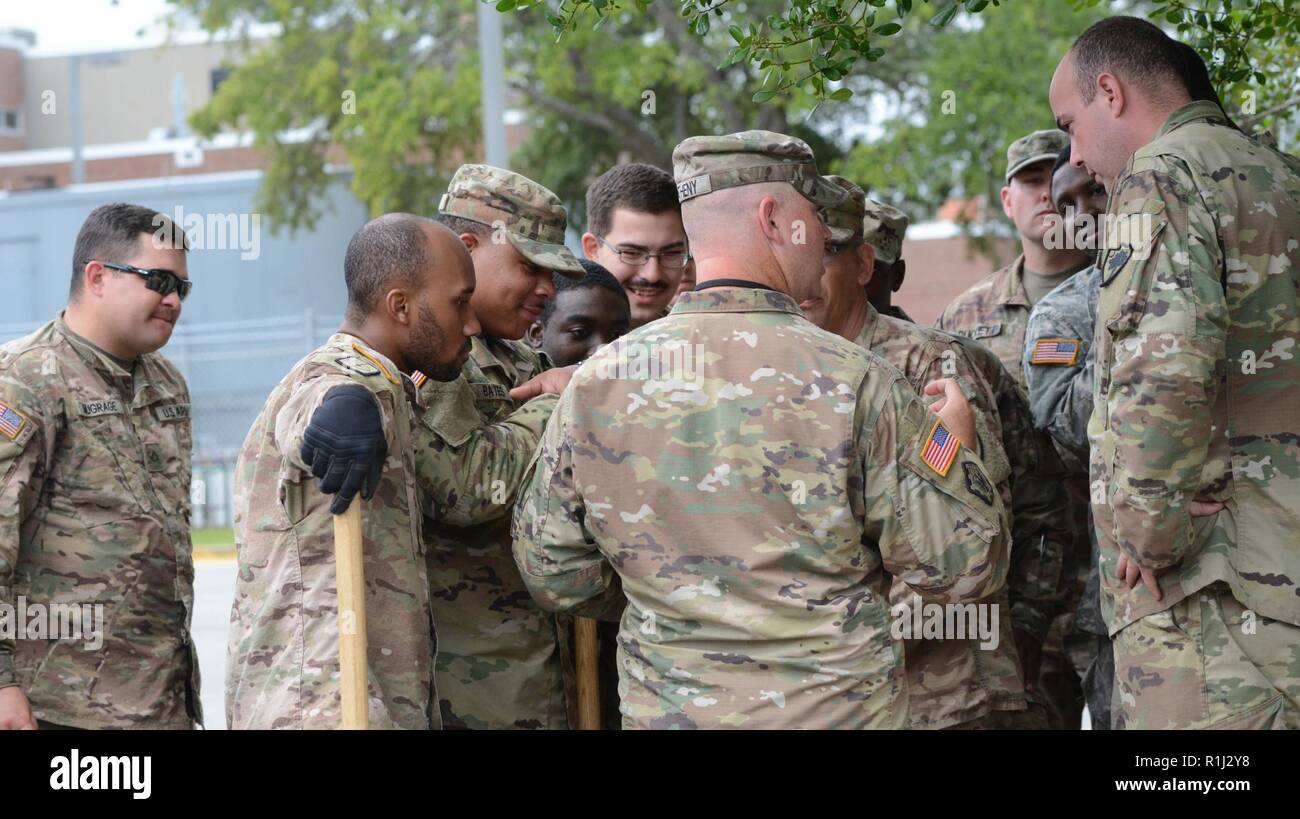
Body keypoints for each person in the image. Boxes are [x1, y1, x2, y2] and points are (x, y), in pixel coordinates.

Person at [513, 130, 1009, 729]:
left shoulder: (596, 384)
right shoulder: (859, 382)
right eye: (815, 217)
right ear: (773, 218)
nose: (824, 237)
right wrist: (953, 445)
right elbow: (967, 565)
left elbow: (553, 570)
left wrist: (676, 596)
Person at [1050, 15, 1300, 728]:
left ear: (1111, 91)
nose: (1074, 156)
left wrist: (1146, 530)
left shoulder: (1160, 175)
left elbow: (1165, 364)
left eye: (1071, 124)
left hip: (1209, 608)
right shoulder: (1281, 174)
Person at [226, 214, 568, 729]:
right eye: (458, 304)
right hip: (326, 708)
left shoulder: (394, 387)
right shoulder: (345, 376)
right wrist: (342, 407)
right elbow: (315, 404)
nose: (471, 325)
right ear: (400, 306)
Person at [814, 177, 1068, 729]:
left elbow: (969, 546)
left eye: (826, 253)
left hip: (934, 696)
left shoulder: (930, 367)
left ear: (862, 265)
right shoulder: (789, 366)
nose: (804, 272)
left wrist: (829, 643)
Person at [0, 202, 199, 731]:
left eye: (183, 286)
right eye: (158, 280)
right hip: (58, 709)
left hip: (160, 703)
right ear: (98, 277)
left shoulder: (166, 385)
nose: (174, 299)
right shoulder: (26, 381)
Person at [423, 164, 587, 730]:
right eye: (529, 266)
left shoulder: (518, 354)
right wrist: (555, 404)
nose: (546, 289)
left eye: (553, 273)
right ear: (466, 248)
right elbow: (463, 489)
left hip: (540, 669)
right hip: (476, 685)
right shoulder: (439, 359)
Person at [1022, 146, 1112, 727]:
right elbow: (1068, 434)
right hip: (1120, 587)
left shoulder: (1222, 276)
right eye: (1065, 204)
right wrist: (1143, 327)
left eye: (1094, 192)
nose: (1081, 214)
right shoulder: (1066, 311)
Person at [935, 129, 1093, 388]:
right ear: (1007, 202)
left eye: (1057, 178)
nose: (1047, 193)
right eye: (1033, 181)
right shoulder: (963, 315)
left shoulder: (1117, 290)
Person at [582, 163, 691, 329]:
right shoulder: (545, 340)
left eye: (671, 254)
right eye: (632, 253)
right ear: (593, 249)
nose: (652, 275)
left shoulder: (702, 343)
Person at [526, 259, 631, 368]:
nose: (602, 350)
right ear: (537, 334)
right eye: (580, 332)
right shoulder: (513, 381)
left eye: (617, 335)